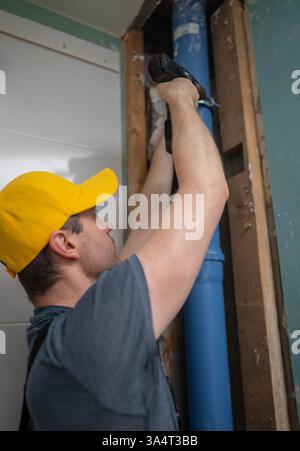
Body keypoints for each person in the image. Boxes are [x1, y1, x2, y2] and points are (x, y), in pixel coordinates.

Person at [0, 78, 228, 431]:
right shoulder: (87, 337)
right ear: (66, 244)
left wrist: (164, 137)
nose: (107, 224)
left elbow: (148, 216)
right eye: (92, 216)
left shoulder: (64, 331)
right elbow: (207, 190)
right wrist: (180, 95)